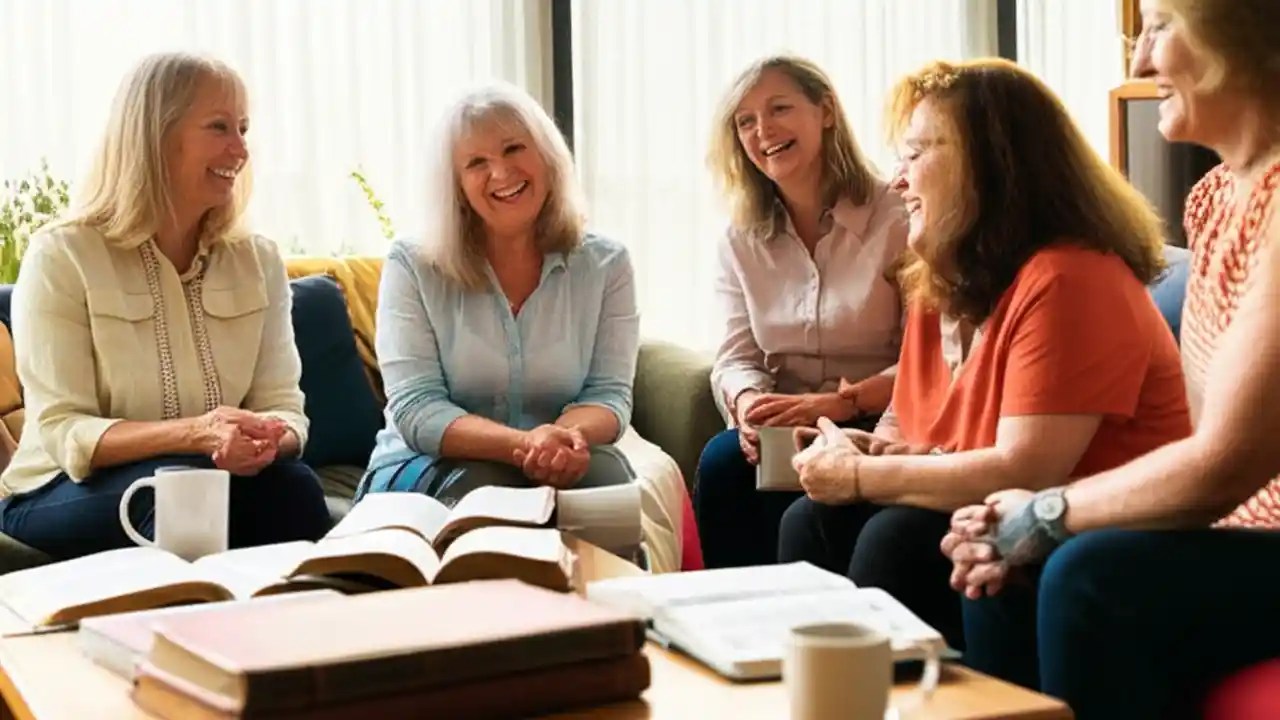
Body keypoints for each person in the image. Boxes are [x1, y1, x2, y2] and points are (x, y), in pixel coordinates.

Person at [781, 57, 1192, 650]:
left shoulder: (1070, 278)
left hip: (1096, 527)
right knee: (812, 521)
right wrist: (878, 447)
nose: (897, 180)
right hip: (988, 511)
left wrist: (860, 474)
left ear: (991, 167)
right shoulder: (936, 278)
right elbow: (907, 422)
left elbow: (1027, 469)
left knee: (894, 537)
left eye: (916, 154)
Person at [942, 2, 1280, 717]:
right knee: (1007, 571)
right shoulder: (1215, 197)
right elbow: (1200, 437)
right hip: (1238, 537)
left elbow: (1225, 462)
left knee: (1086, 575)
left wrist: (1051, 511)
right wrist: (1028, 523)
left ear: (1245, 32)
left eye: (1160, 26)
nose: (1139, 63)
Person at [0, 52, 332, 560]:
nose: (240, 149)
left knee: (296, 489)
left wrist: (266, 439)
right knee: (179, 495)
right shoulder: (62, 255)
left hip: (203, 477)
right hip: (56, 489)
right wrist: (199, 435)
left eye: (244, 128)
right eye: (220, 127)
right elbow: (65, 430)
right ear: (154, 136)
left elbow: (286, 407)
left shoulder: (258, 259)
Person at [357, 81, 663, 540]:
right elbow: (417, 409)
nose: (501, 172)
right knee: (492, 489)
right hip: (425, 466)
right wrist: (525, 446)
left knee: (606, 485)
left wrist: (561, 441)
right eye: (476, 163)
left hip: (557, 455)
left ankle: (609, 613)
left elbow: (609, 394)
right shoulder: (413, 264)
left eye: (514, 148)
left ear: (546, 158)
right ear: (456, 185)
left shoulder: (607, 263)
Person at [694, 55, 909, 569]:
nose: (762, 130)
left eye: (779, 108)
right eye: (745, 122)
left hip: (880, 416)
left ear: (827, 112)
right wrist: (748, 403)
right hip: (785, 418)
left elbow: (929, 359)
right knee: (725, 462)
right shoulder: (738, 238)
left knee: (813, 508)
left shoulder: (898, 217)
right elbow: (735, 355)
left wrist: (841, 405)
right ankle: (733, 629)